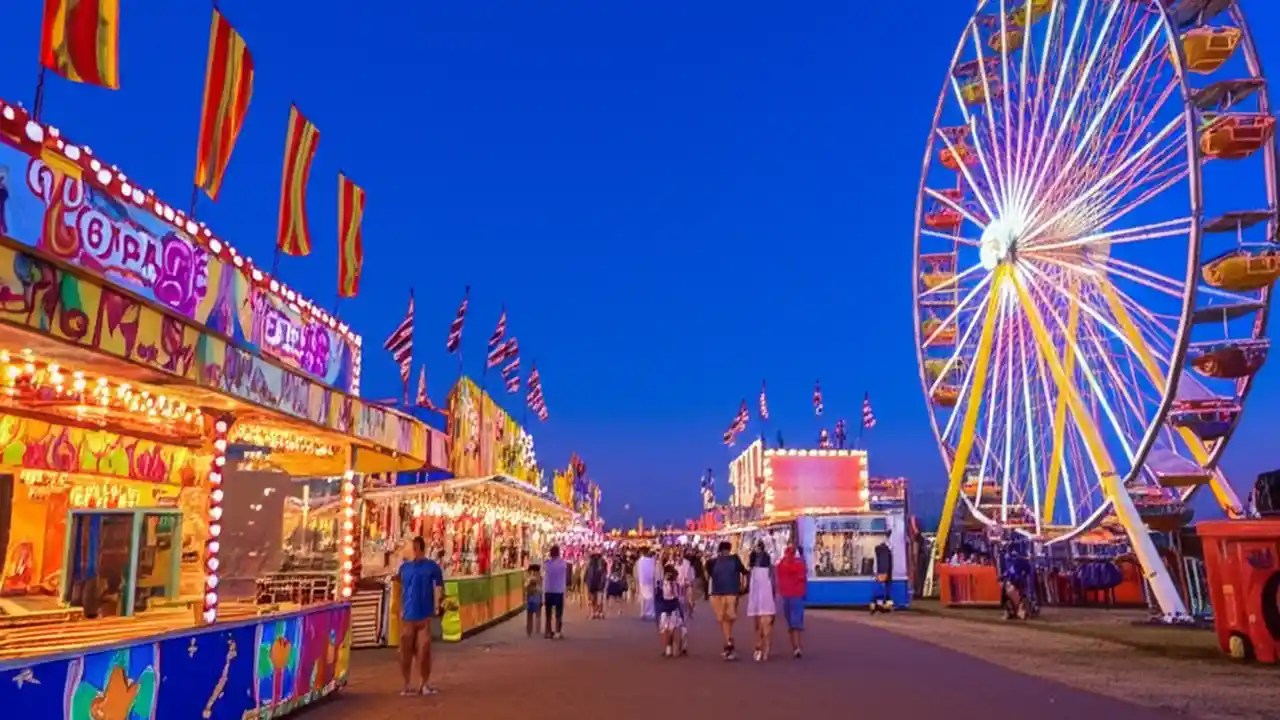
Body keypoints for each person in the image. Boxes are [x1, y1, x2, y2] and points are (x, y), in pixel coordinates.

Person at [398, 536, 444, 696]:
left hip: (424, 615)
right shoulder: (404, 568)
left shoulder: (432, 567)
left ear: (418, 548)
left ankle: (424, 683)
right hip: (409, 615)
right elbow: (401, 588)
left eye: (411, 548)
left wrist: (437, 606)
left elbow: (438, 587)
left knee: (424, 650)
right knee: (405, 650)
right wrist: (400, 608)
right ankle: (407, 683)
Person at [706, 541, 747, 660]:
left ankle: (728, 641)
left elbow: (709, 575)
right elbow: (744, 572)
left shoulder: (712, 562)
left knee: (723, 619)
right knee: (728, 618)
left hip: (718, 592)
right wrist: (743, 586)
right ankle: (729, 641)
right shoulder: (734, 559)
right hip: (731, 592)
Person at [746, 541, 777, 661]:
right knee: (765, 623)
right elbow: (773, 583)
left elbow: (751, 585)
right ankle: (764, 648)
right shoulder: (768, 569)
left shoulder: (753, 571)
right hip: (765, 595)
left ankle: (759, 647)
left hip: (758, 596)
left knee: (759, 623)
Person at [776, 543, 808, 658]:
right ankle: (796, 647)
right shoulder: (799, 565)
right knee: (795, 623)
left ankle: (796, 647)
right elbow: (803, 576)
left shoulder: (782, 565)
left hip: (789, 596)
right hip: (796, 595)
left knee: (792, 623)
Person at [655, 564, 687, 657]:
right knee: (670, 629)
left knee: (667, 629)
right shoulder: (673, 585)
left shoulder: (662, 585)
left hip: (667, 608)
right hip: (672, 608)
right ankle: (670, 647)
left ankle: (669, 648)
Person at [543, 545, 568, 639]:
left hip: (548, 590)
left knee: (548, 613)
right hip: (559, 590)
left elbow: (544, 572)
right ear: (558, 552)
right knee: (558, 613)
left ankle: (548, 631)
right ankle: (557, 631)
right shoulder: (562, 563)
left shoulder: (547, 563)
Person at [585, 550, 608, 619]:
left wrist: (587, 583)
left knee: (594, 598)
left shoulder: (591, 564)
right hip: (597, 583)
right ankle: (598, 612)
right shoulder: (600, 563)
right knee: (598, 598)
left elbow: (587, 575)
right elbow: (604, 574)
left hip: (593, 583)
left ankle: (595, 612)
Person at [635, 547, 657, 620]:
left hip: (643, 582)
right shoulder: (651, 561)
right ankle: (649, 612)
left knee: (643, 598)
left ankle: (643, 612)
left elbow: (637, 572)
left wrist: (637, 581)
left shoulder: (640, 561)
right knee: (650, 598)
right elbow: (653, 572)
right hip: (649, 582)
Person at [525, 564, 544, 637]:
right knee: (538, 615)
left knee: (529, 616)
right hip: (537, 598)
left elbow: (526, 588)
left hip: (531, 599)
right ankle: (537, 631)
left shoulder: (529, 579)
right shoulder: (540, 578)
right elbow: (541, 590)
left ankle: (529, 631)